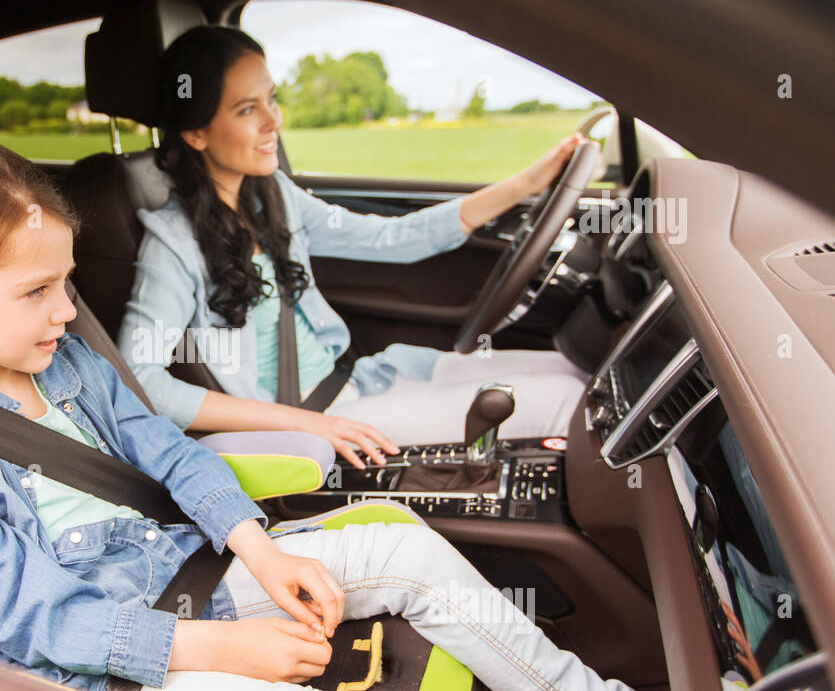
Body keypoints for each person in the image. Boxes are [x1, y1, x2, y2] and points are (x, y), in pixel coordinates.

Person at [0, 133, 675, 691]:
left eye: (68, 284)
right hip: (91, 671)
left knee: (405, 549)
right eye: (38, 292)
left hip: (177, 574)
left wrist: (261, 548)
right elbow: (28, 617)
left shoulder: (67, 367)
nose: (67, 309)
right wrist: (219, 647)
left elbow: (166, 449)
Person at [117, 25, 592, 469]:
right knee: (570, 403)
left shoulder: (272, 196)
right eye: (247, 110)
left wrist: (528, 183)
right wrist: (309, 423)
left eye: (272, 100)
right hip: (311, 424)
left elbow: (391, 238)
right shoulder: (173, 243)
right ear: (195, 132)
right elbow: (140, 381)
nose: (273, 121)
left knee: (573, 368)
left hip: (358, 382)